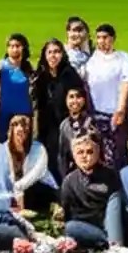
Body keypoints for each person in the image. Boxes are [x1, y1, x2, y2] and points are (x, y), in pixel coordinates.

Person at [30, 39, 85, 182]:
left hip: (65, 125)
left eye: (57, 52)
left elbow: (78, 99)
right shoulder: (40, 75)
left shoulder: (69, 74)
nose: (53, 56)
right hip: (46, 127)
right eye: (50, 52)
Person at [83, 24, 128, 169]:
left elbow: (127, 83)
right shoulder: (92, 60)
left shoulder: (124, 59)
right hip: (97, 114)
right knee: (99, 154)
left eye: (105, 37)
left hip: (116, 115)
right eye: (98, 38)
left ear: (112, 38)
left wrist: (121, 109)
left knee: (119, 155)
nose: (101, 41)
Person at [60, 135, 124, 249]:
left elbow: (116, 207)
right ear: (73, 155)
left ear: (98, 152)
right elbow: (67, 213)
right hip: (85, 226)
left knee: (116, 199)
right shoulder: (69, 181)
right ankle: (107, 242)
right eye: (80, 152)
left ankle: (114, 242)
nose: (85, 156)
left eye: (89, 152)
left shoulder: (110, 175)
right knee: (69, 227)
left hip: (109, 222)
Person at [5, 116, 58, 215]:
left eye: (24, 133)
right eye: (18, 133)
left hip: (38, 187)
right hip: (15, 190)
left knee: (32, 189)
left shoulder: (39, 149)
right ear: (11, 132)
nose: (21, 136)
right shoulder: (3, 149)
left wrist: (17, 189)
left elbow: (35, 175)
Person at [0, 34, 34, 136]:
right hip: (4, 116)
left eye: (17, 46)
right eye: (11, 46)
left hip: (24, 116)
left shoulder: (29, 69)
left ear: (23, 48)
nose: (14, 49)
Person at [57, 87, 95, 177]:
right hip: (74, 174)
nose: (75, 101)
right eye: (71, 97)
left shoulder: (93, 122)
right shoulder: (64, 125)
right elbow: (63, 155)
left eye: (78, 96)